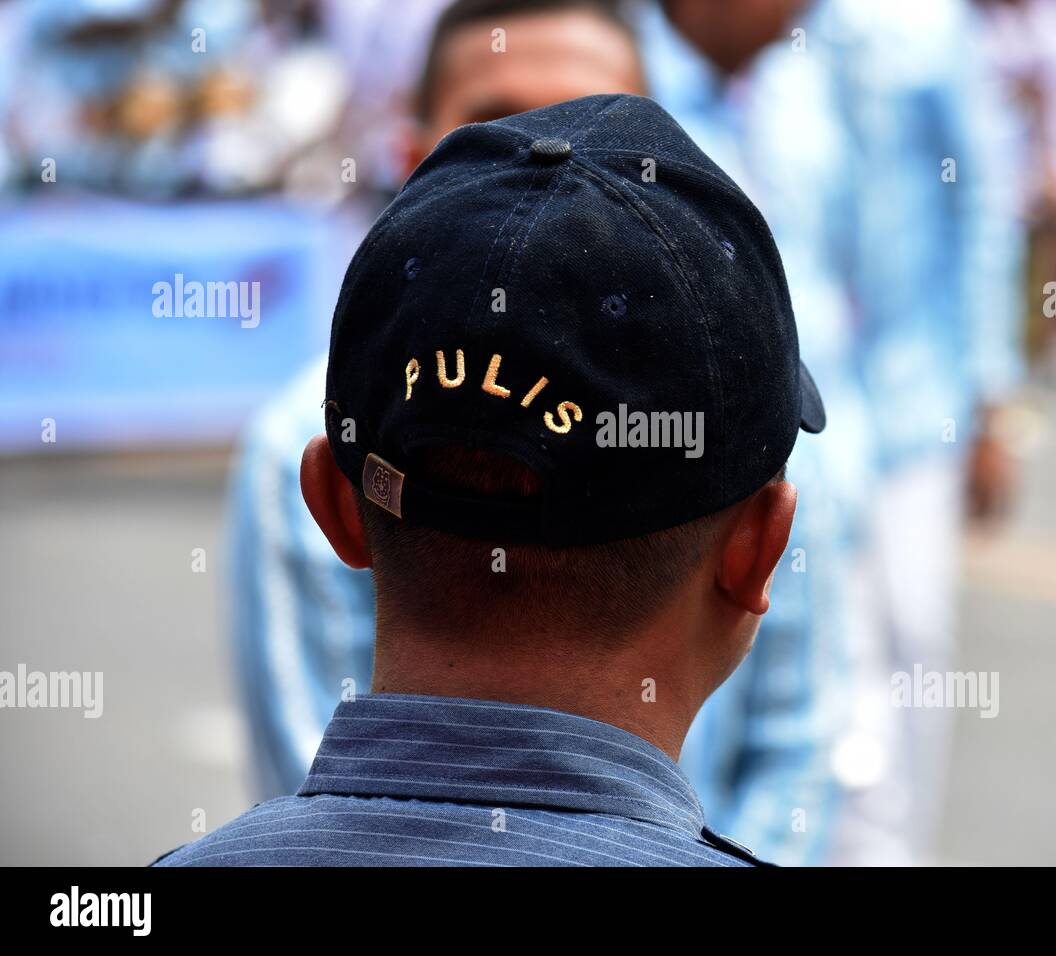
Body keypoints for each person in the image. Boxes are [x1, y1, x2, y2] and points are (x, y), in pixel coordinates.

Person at [227, 0, 841, 866]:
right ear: (760, 549)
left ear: (334, 504)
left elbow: (798, 746)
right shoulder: (756, 442)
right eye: (501, 119)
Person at [641, 0, 1026, 863]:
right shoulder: (660, 71)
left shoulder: (877, 46)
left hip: (877, 425)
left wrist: (990, 398)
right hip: (746, 451)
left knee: (882, 694)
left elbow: (979, 210)